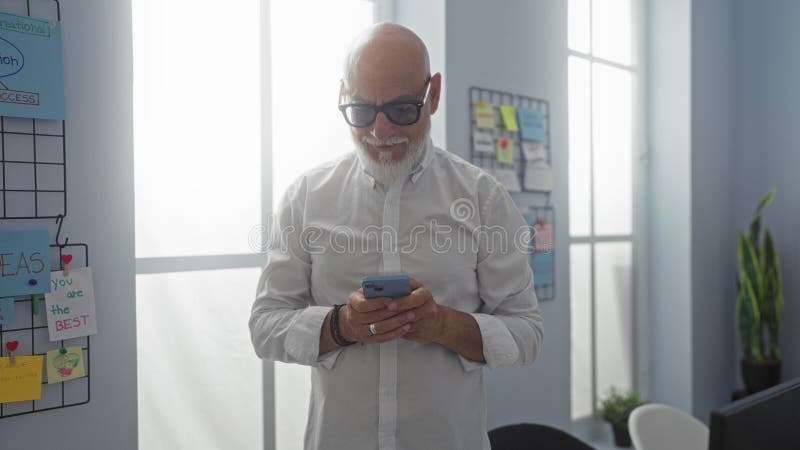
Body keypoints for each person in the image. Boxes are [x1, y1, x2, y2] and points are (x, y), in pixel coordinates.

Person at [249, 22, 543, 450]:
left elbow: (527, 332)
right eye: (363, 111)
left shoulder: (482, 198)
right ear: (342, 96)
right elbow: (265, 325)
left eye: (403, 110)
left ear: (434, 95)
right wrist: (341, 325)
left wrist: (443, 325)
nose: (381, 132)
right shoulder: (307, 198)